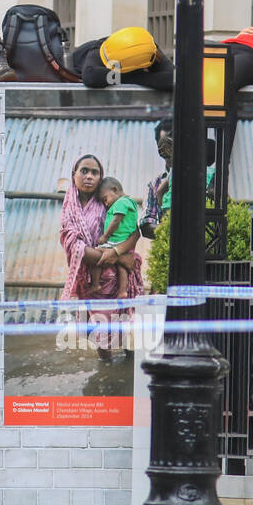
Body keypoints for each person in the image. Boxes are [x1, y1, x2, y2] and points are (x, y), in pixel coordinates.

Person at [59, 154, 143, 360]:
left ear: (101, 177)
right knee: (101, 331)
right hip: (94, 280)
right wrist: (120, 257)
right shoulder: (69, 210)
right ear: (74, 175)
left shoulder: (108, 203)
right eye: (84, 171)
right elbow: (74, 246)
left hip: (120, 277)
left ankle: (128, 368)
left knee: (127, 327)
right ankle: (106, 368)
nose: (89, 176)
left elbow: (134, 232)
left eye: (94, 172)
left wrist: (116, 252)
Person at [70, 27, 174, 91]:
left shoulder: (148, 49)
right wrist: (137, 76)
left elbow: (174, 79)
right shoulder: (100, 49)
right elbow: (90, 77)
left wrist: (133, 76)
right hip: (74, 67)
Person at [88, 177, 139, 296]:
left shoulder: (121, 202)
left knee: (98, 257)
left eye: (105, 199)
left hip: (116, 239)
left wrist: (105, 236)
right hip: (125, 242)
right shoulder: (129, 202)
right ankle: (122, 291)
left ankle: (95, 284)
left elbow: (116, 220)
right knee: (122, 266)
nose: (106, 204)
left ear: (115, 190)